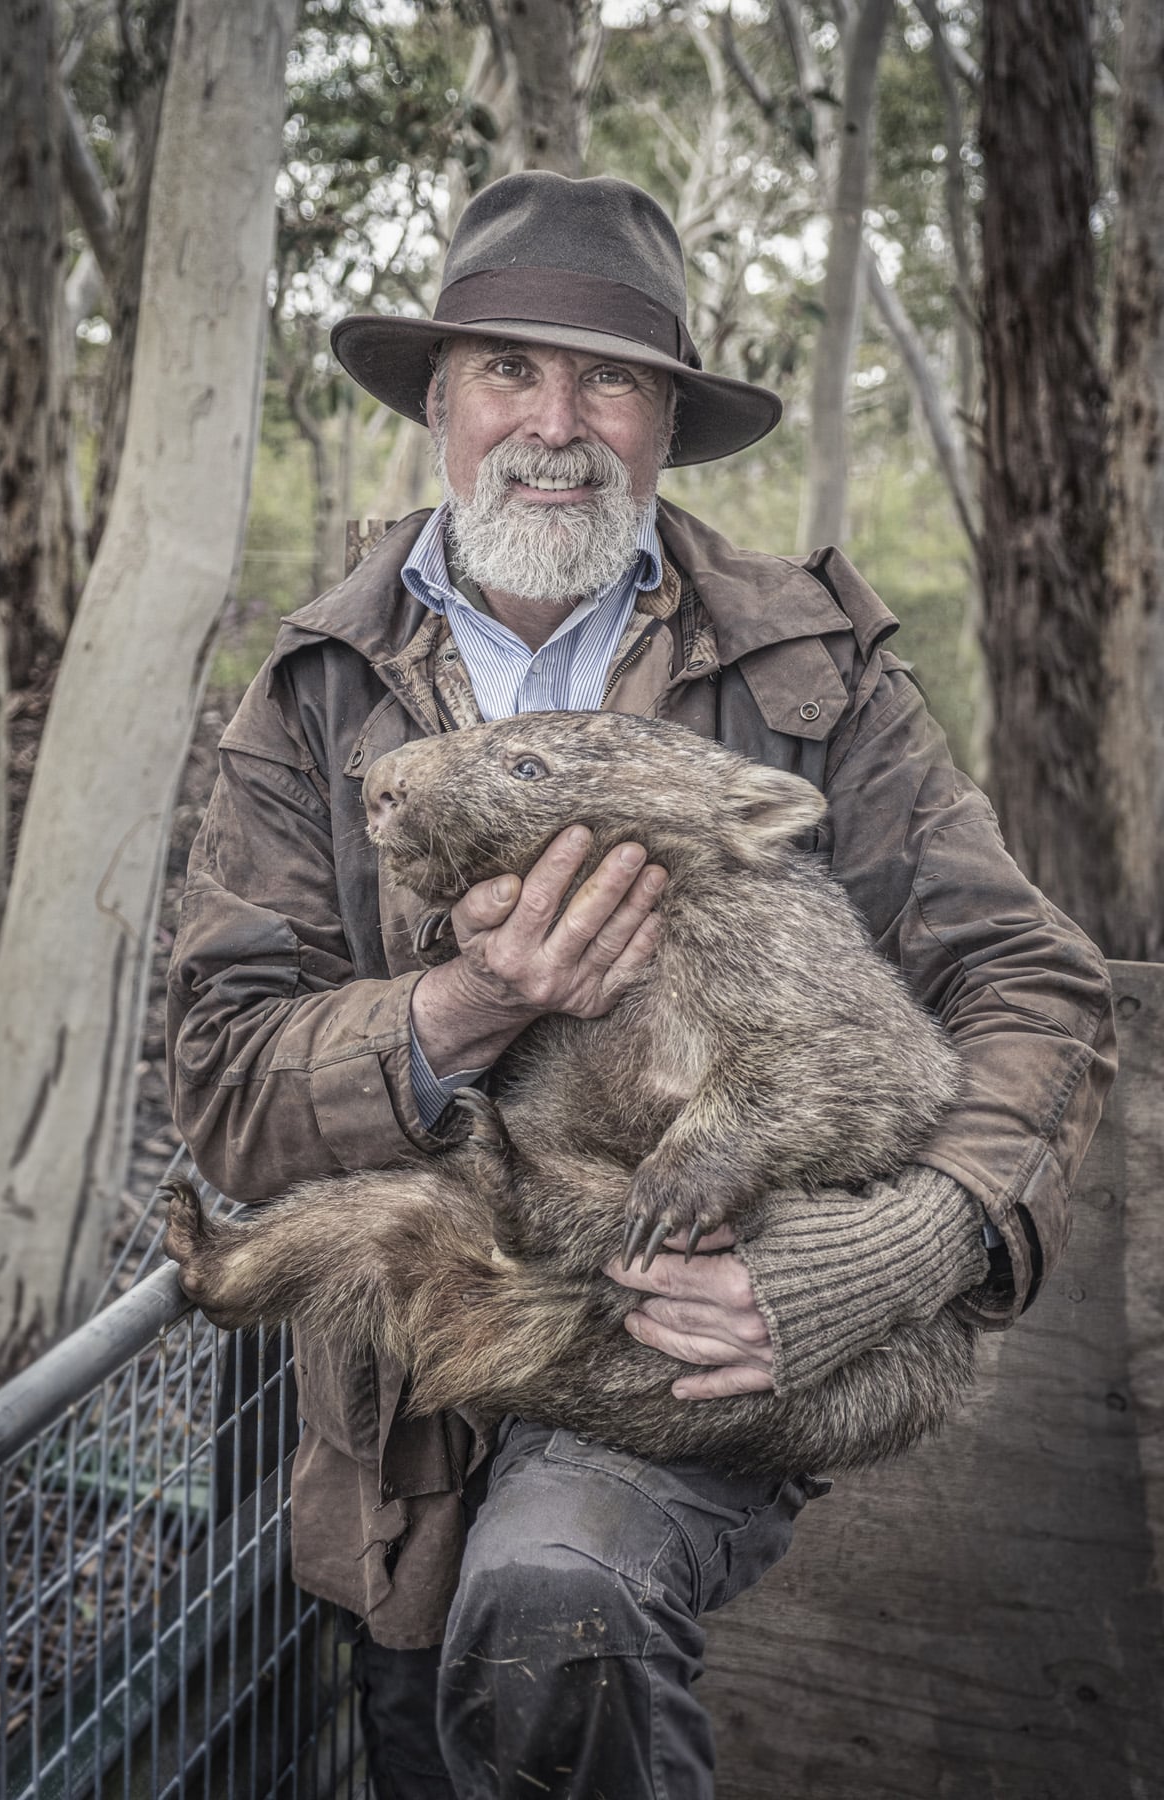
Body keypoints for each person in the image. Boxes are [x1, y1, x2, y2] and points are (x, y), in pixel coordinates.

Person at [165, 172, 1115, 1799]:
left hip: (701, 1327)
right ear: (442, 401)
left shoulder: (810, 666)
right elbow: (228, 1083)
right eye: (508, 372)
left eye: (607, 378)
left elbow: (1035, 985)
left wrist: (899, 1242)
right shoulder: (315, 691)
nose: (557, 422)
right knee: (429, 1742)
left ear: (666, 413)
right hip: (411, 1398)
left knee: (561, 1599)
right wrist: (455, 1013)